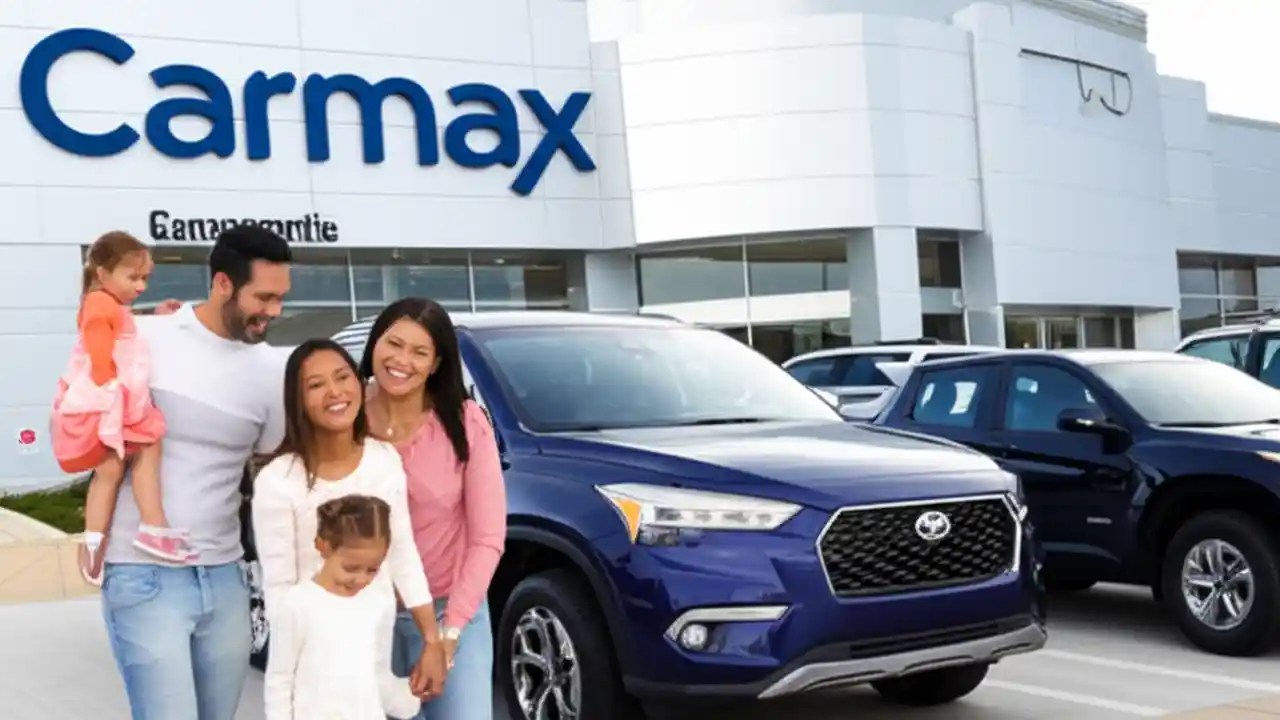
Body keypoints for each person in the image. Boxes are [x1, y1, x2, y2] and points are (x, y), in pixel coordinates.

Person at [99, 224, 292, 720]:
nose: (274, 311)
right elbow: (86, 422)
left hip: (226, 576)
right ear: (223, 284)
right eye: (264, 297)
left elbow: (269, 460)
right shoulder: (145, 336)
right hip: (143, 572)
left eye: (280, 298)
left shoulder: (271, 371)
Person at [252, 338, 448, 710]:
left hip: (372, 656)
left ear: (360, 384)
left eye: (343, 377)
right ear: (298, 400)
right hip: (314, 669)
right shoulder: (279, 481)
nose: (334, 392)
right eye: (315, 384)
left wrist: (432, 640)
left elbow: (403, 554)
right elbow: (279, 590)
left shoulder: (383, 460)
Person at [360, 297, 507, 720]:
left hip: (450, 614)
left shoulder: (465, 422)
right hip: (368, 618)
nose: (402, 360)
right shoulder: (345, 416)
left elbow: (487, 539)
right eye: (394, 343)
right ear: (375, 345)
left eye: (419, 351)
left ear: (436, 363)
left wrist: (446, 635)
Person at [50, 231, 192, 588]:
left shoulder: (103, 301)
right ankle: (153, 525)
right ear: (102, 273)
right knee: (148, 445)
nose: (141, 285)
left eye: (145, 278)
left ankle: (95, 547)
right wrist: (109, 383)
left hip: (109, 402)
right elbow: (101, 344)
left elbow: (121, 324)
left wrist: (156, 315)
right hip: (113, 402)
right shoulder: (100, 304)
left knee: (109, 472)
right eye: (133, 277)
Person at [262, 494, 424, 720]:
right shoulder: (298, 604)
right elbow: (279, 680)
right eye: (351, 568)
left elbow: (377, 672)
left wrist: (411, 697)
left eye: (372, 569)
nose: (361, 579)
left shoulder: (376, 604)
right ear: (323, 546)